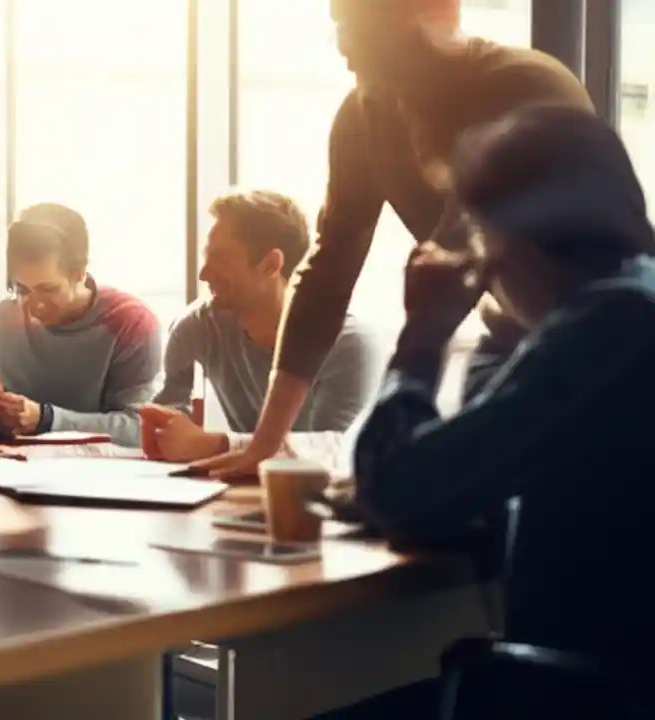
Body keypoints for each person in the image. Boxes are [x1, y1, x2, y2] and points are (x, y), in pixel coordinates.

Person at [328, 106, 655, 716]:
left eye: (479, 238)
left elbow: (396, 491)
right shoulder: (635, 304)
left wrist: (423, 334)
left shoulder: (611, 328)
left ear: (510, 246)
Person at [190, 0, 594, 478]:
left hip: (599, 341)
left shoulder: (520, 87)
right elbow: (329, 271)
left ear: (421, 24)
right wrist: (265, 443)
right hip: (508, 340)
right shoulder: (365, 115)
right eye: (335, 27)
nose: (342, 47)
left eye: (352, 27)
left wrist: (413, 361)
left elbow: (455, 252)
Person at [141, 190, 379, 462]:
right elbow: (172, 411)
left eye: (221, 258)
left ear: (270, 265)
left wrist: (218, 445)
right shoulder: (197, 328)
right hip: (241, 487)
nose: (204, 273)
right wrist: (160, 430)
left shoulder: (348, 345)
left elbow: (332, 451)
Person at [0, 203, 162, 446]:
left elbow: (140, 429)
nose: (34, 307)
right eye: (21, 289)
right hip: (6, 464)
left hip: (96, 472)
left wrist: (47, 420)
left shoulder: (130, 323)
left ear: (79, 273)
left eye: (48, 289)